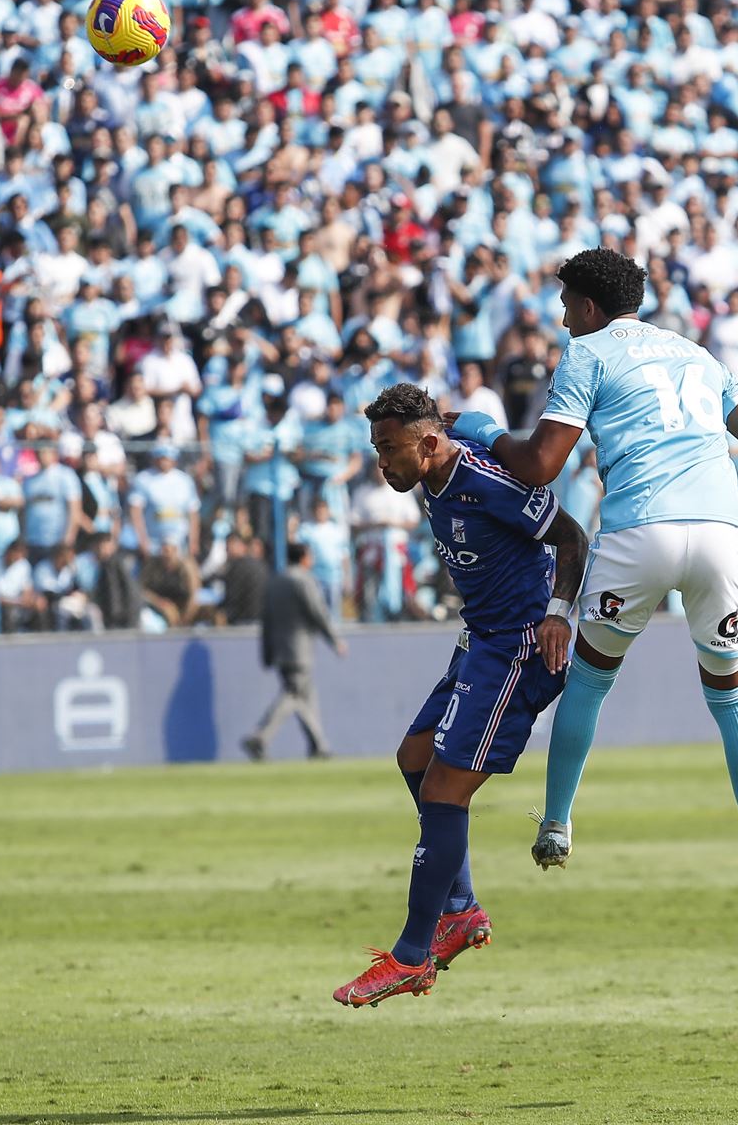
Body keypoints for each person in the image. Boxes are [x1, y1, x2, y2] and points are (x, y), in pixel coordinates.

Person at [446, 248, 738, 904]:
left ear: (586, 306)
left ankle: (556, 824)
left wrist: (485, 431)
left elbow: (542, 463)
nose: (561, 319)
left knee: (588, 680)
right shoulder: (698, 355)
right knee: (732, 699)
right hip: (722, 534)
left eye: (564, 306)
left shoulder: (587, 352)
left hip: (641, 533)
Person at [329, 383, 586, 1009]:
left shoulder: (484, 480)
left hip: (520, 645)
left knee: (446, 788)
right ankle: (461, 910)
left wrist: (558, 614)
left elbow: (572, 538)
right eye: (376, 450)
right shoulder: (432, 460)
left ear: (425, 444)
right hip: (479, 640)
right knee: (414, 758)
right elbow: (442, 418)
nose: (382, 463)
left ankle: (412, 955)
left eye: (389, 450)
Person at [243, 540, 343, 762]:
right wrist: (334, 640)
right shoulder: (303, 581)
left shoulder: (275, 581)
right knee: (293, 695)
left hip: (279, 649)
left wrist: (267, 652)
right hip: (300, 649)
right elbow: (318, 612)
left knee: (306, 696)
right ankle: (259, 737)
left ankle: (318, 745)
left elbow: (266, 620)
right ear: (304, 558)